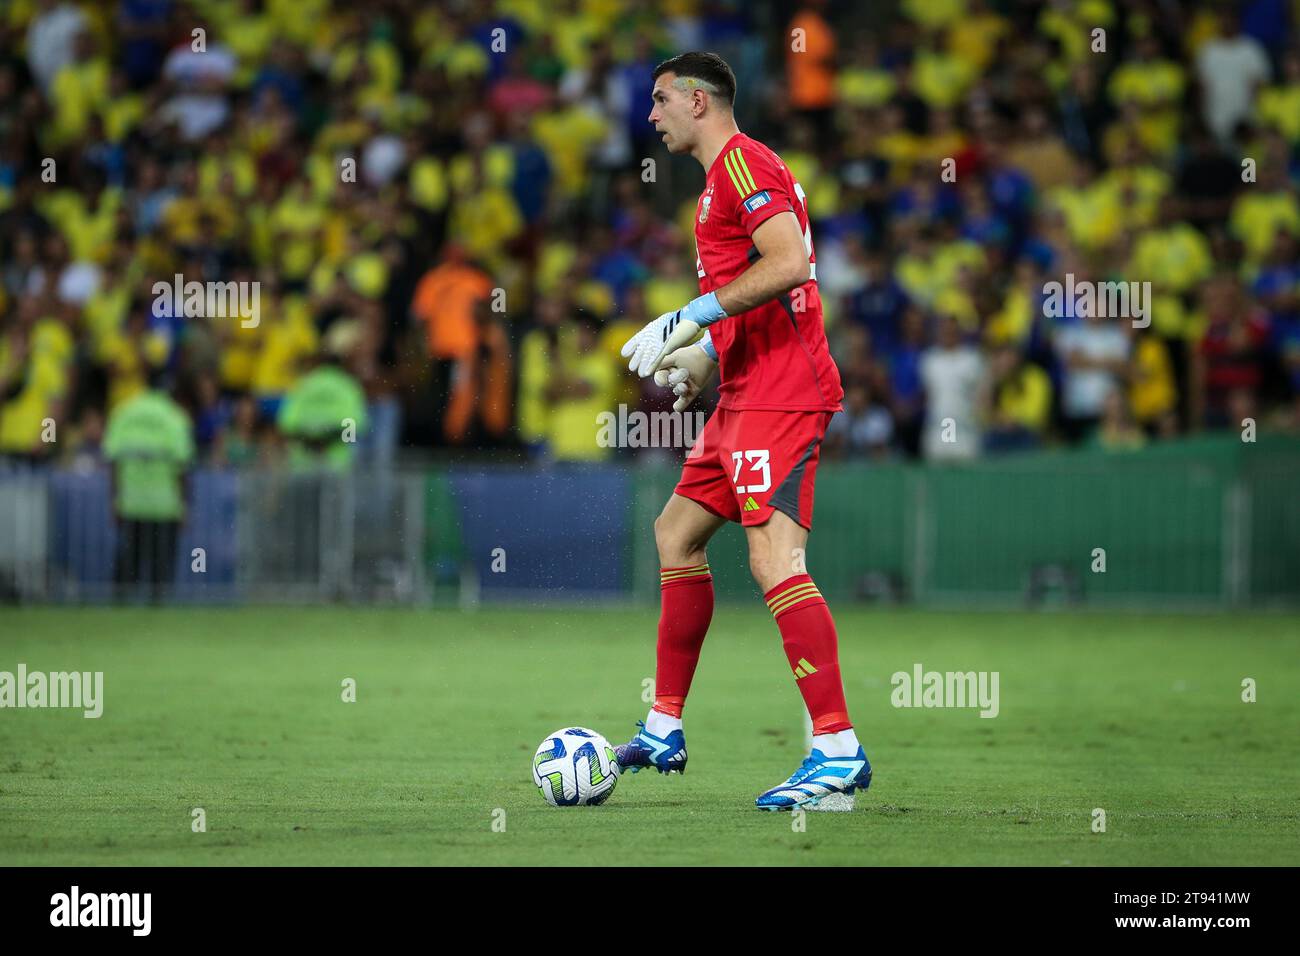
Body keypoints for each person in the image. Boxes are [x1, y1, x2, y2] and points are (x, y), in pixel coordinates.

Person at [615, 52, 868, 811]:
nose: (651, 116)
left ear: (698, 100)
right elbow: (759, 296)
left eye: (660, 100)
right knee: (676, 534)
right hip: (746, 394)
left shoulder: (743, 164)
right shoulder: (716, 185)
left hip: (782, 397)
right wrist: (706, 358)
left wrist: (692, 316)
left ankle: (835, 749)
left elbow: (789, 264)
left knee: (773, 558)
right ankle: (664, 726)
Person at [103, 382, 194, 602]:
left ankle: (120, 607)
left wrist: (115, 499)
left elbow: (113, 461)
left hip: (131, 501)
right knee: (161, 564)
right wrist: (184, 505)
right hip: (165, 504)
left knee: (129, 559)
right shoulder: (175, 417)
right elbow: (182, 466)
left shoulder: (123, 412)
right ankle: (158, 607)